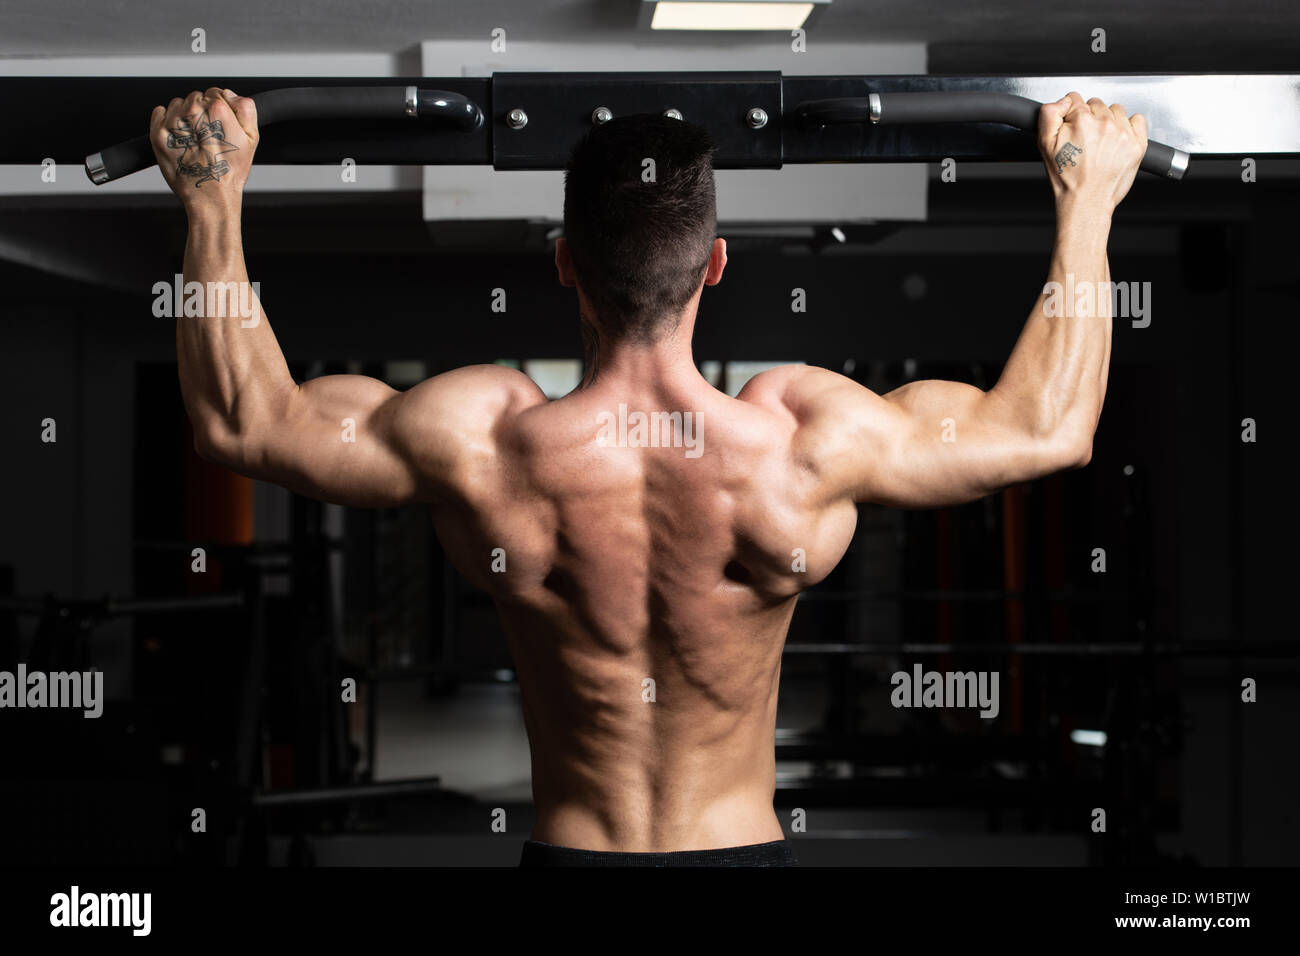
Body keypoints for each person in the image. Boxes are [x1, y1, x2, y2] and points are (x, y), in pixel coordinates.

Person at [151, 87, 1146, 866]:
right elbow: (1047, 429)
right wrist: (1087, 203)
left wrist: (210, 197)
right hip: (739, 855)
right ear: (715, 263)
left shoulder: (484, 441)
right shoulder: (800, 444)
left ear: (563, 263)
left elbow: (243, 420)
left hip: (571, 858)